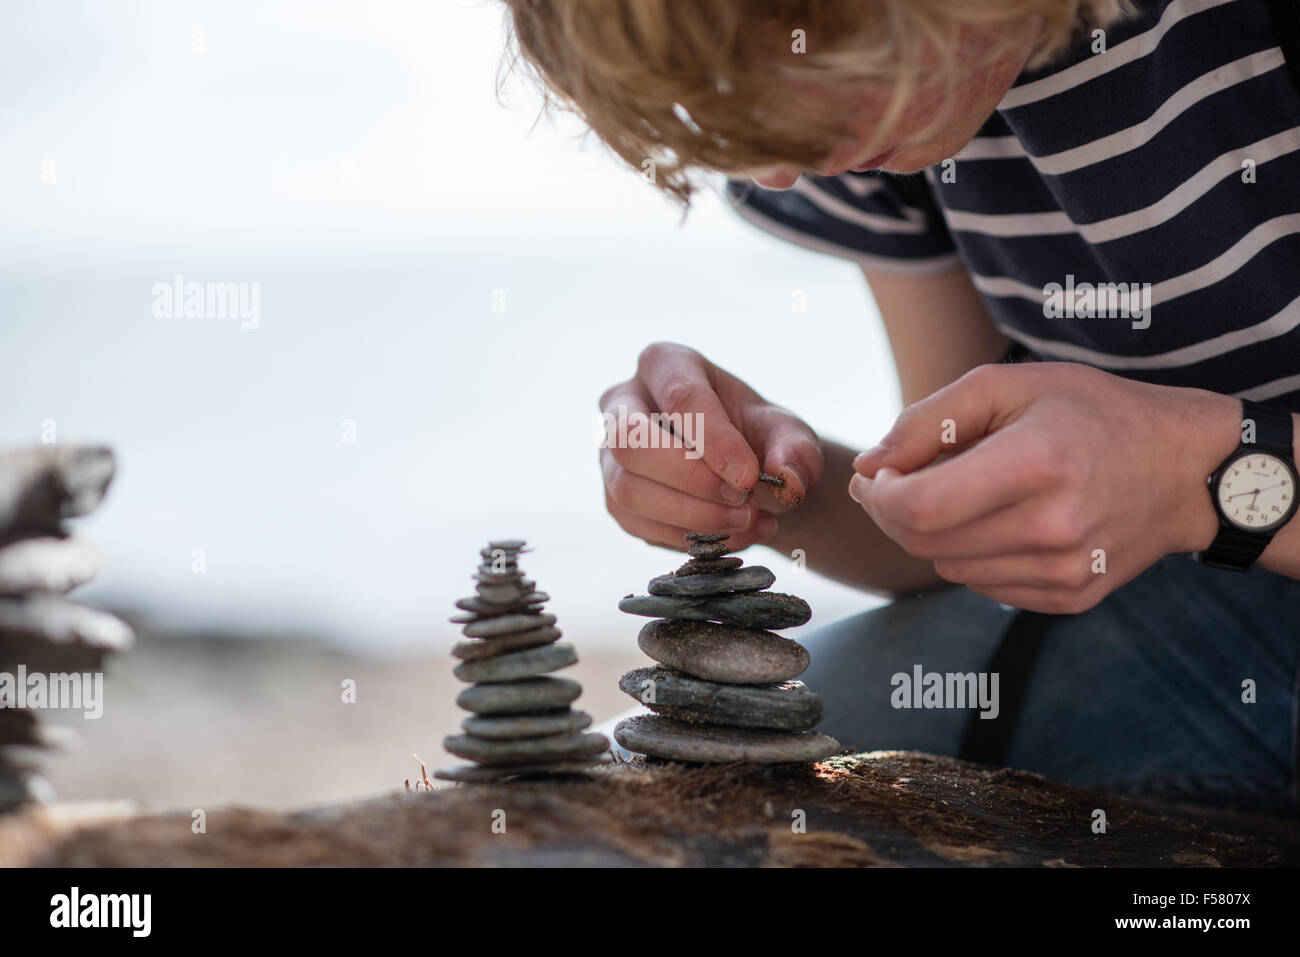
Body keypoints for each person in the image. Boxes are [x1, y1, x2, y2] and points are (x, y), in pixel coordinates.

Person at [502, 0, 1300, 812]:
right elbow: (956, 524)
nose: (778, 165)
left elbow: (1172, 479)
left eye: (801, 53)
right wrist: (777, 492)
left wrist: (1196, 475)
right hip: (1182, 621)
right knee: (614, 809)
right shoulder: (895, 130)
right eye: (724, 93)